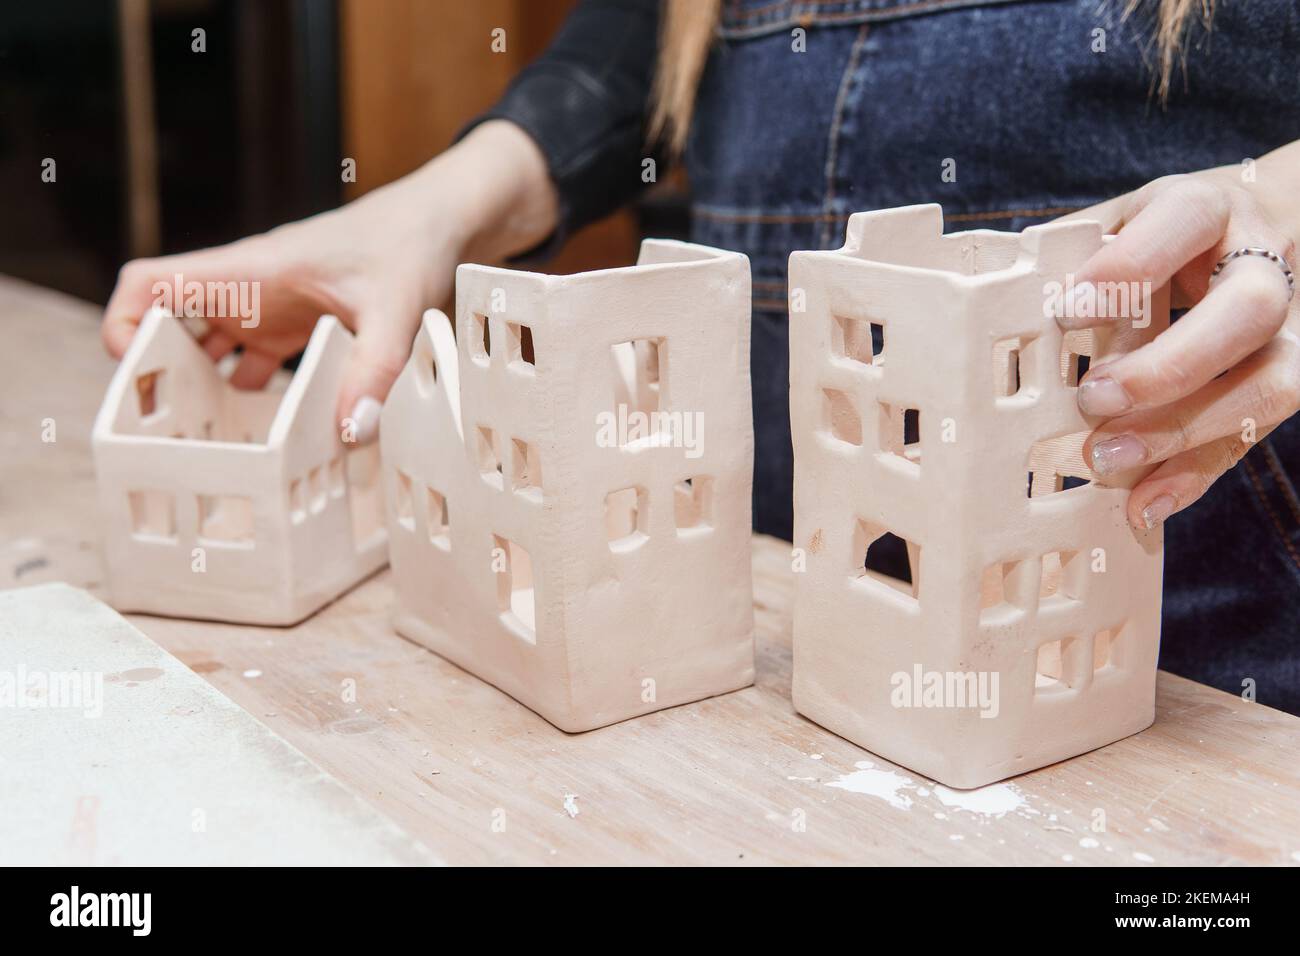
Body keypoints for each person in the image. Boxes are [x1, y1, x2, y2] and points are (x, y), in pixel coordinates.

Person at [100, 0, 1300, 711]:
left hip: (1213, 593)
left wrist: (1278, 199)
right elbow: (635, 53)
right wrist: (428, 213)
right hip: (789, 595)